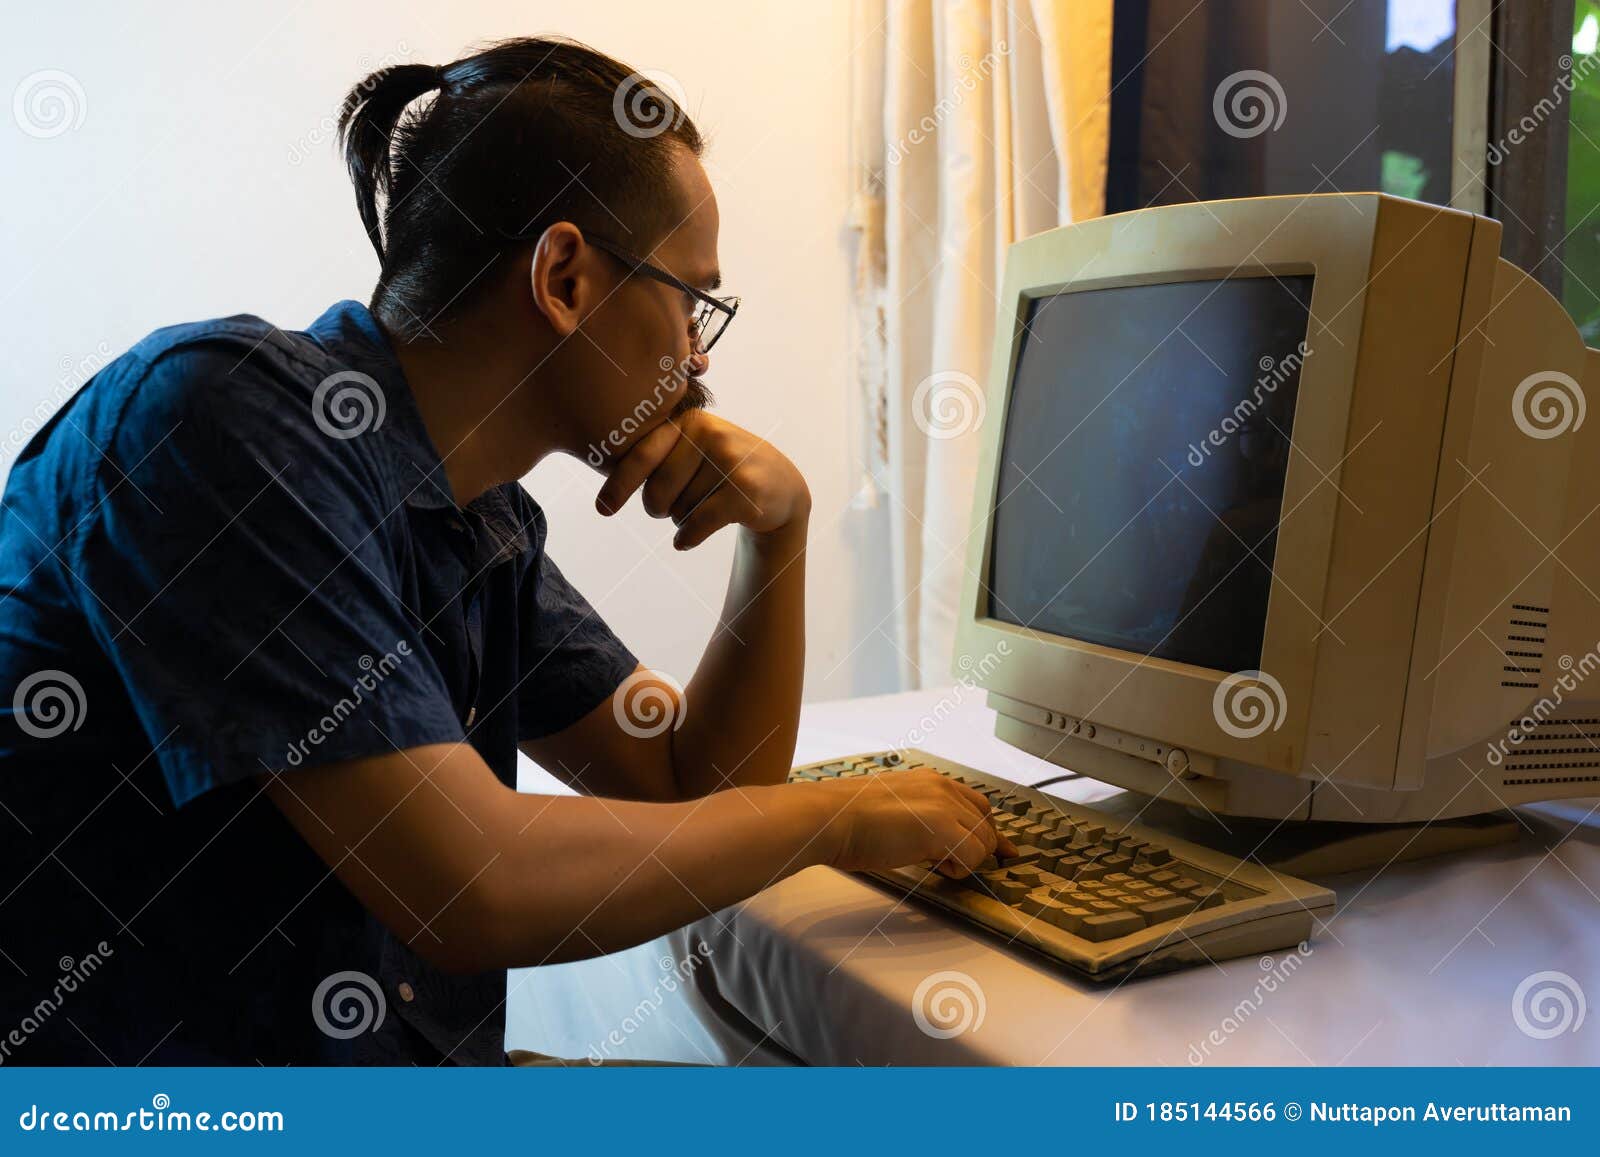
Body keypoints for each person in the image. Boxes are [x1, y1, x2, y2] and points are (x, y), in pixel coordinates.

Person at [0, 36, 1005, 1065]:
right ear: (564, 277)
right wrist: (841, 816)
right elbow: (476, 885)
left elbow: (688, 785)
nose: (698, 355)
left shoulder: (483, 521)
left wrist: (777, 537)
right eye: (690, 300)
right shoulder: (220, 420)